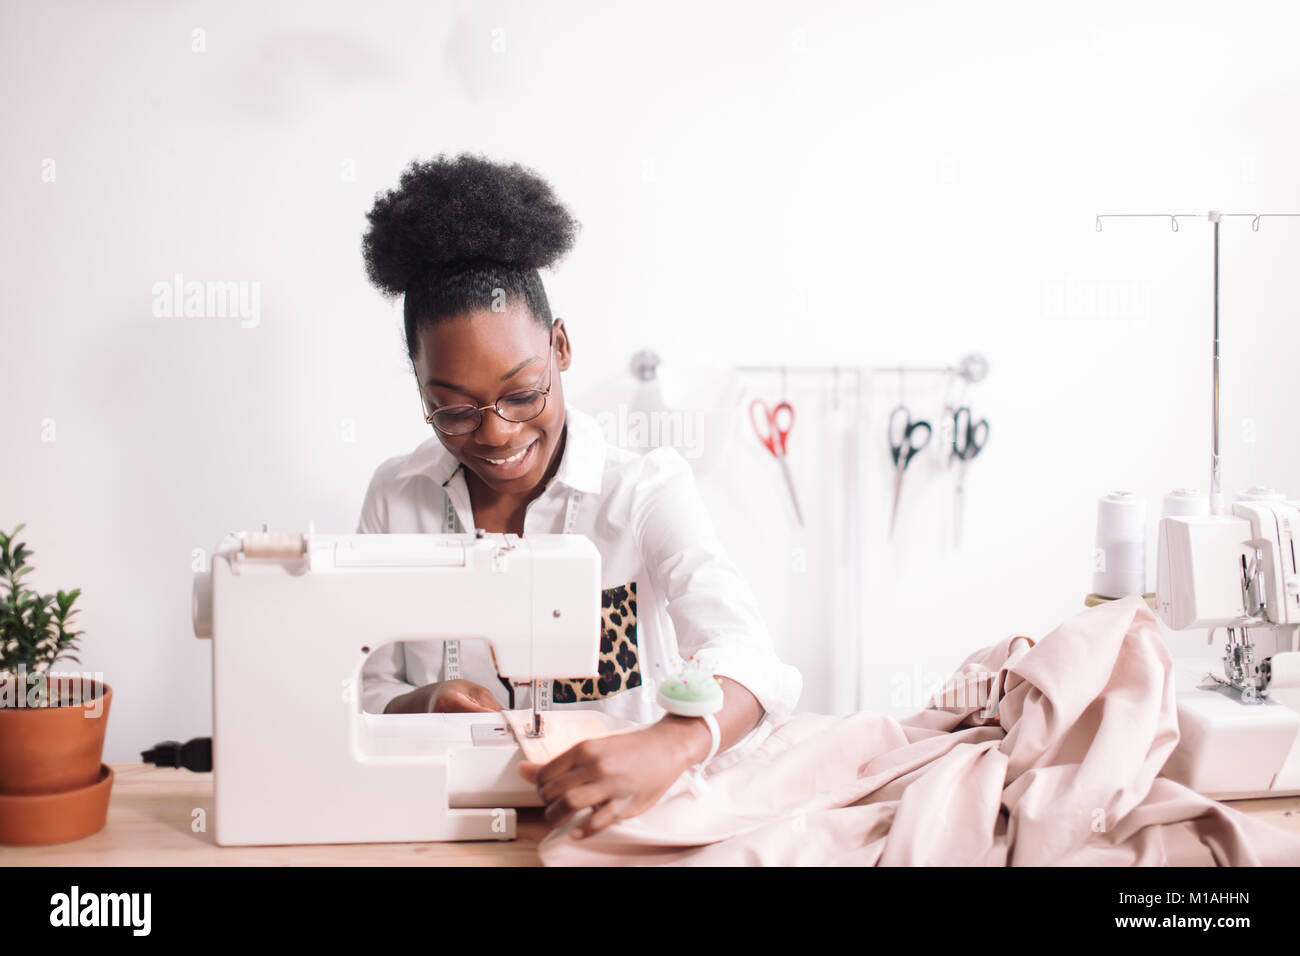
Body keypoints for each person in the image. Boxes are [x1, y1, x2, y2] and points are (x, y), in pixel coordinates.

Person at [356, 152, 801, 839]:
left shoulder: (644, 490)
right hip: (449, 828)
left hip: (616, 824)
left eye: (522, 393)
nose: (497, 433)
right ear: (420, 393)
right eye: (454, 411)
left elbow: (746, 651)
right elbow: (363, 689)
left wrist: (673, 744)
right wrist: (423, 701)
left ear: (560, 346)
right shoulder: (398, 498)